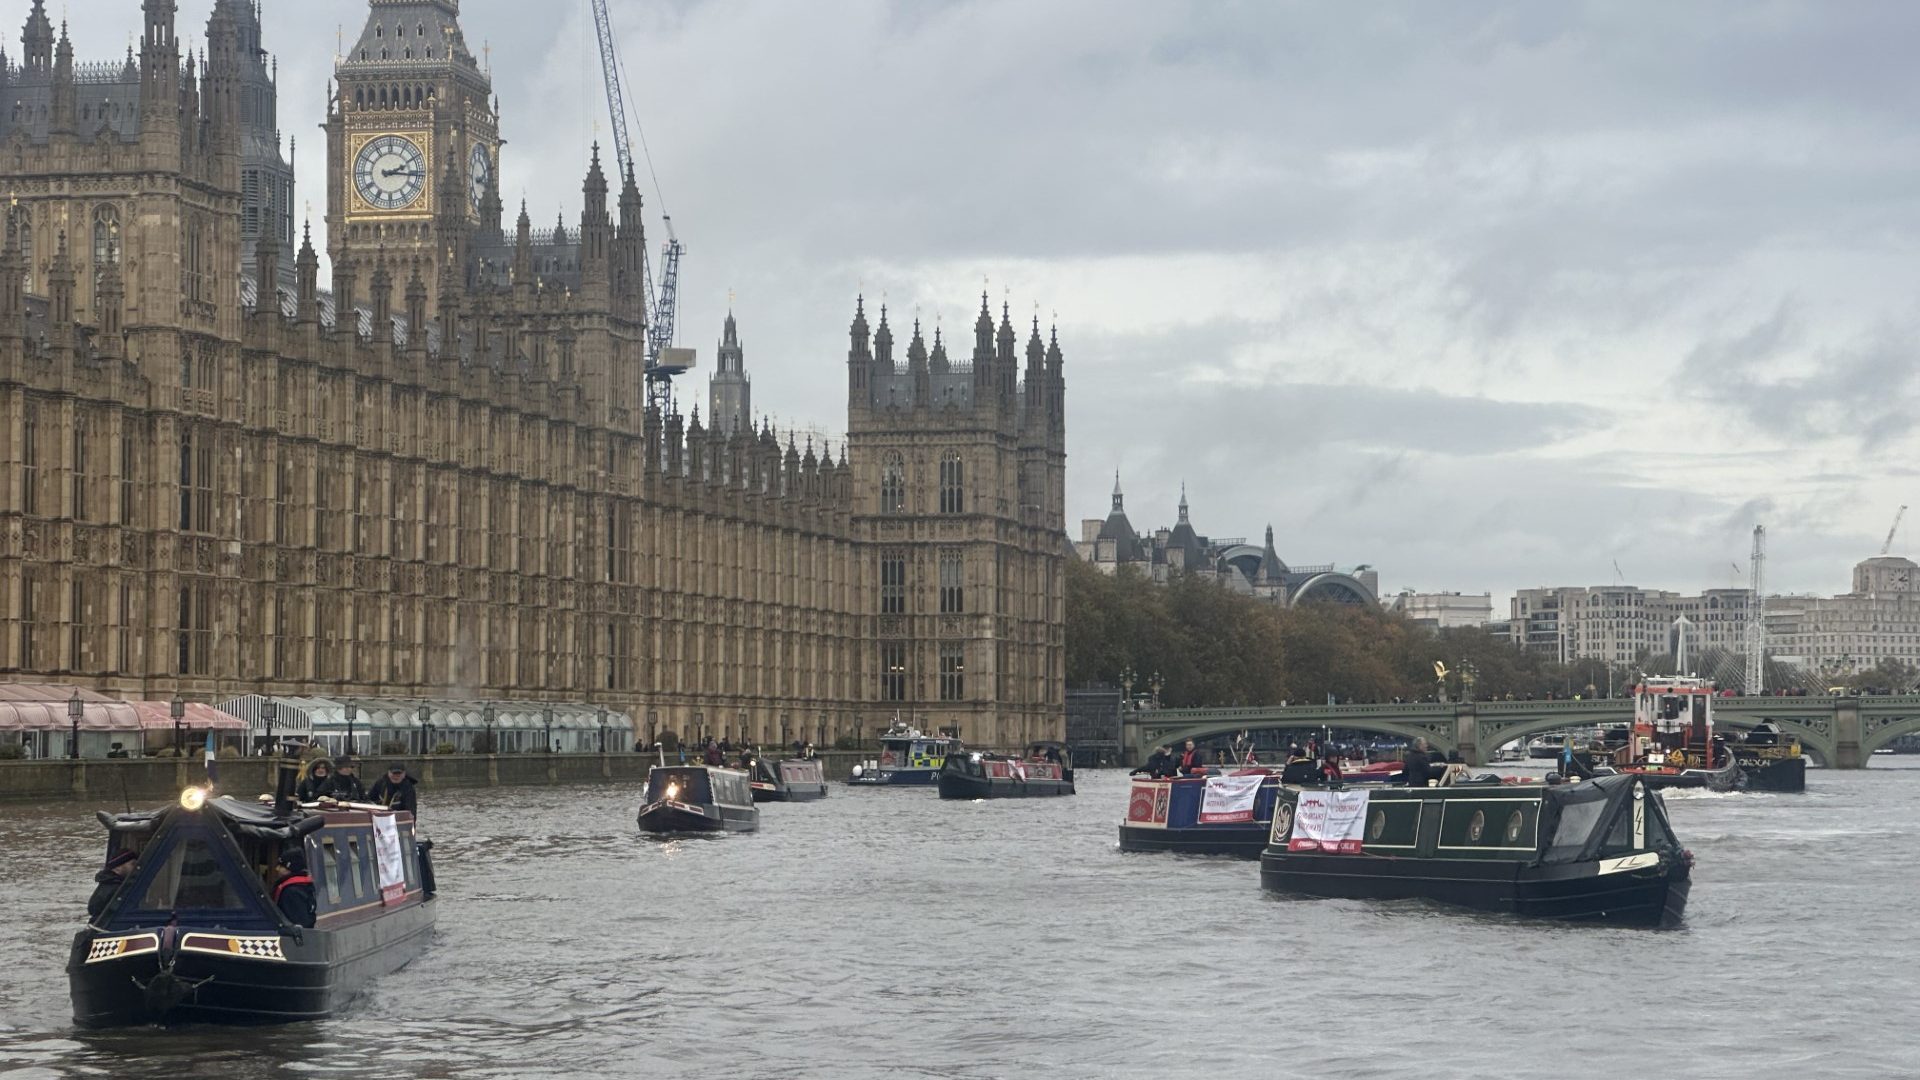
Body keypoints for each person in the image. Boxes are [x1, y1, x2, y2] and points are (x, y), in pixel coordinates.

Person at [265, 850, 317, 928]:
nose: (277, 869)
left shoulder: (290, 892)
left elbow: (298, 923)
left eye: (281, 866)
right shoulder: (305, 887)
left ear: (291, 868)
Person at [87, 850, 138, 920]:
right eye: (132, 864)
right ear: (117, 868)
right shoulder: (116, 888)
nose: (136, 868)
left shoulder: (107, 883)